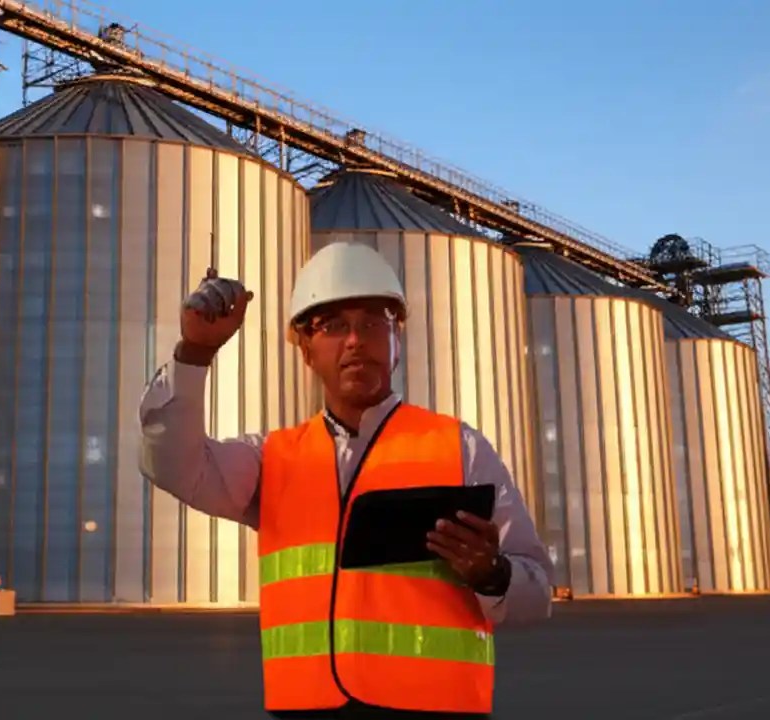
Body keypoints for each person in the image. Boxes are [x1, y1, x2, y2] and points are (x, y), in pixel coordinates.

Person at [138, 242, 554, 718]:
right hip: (307, 709)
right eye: (333, 325)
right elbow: (170, 465)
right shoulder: (272, 459)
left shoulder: (461, 449)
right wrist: (194, 353)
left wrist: (493, 573)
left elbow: (537, 591)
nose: (355, 340)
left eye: (373, 322)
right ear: (306, 351)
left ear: (397, 342)